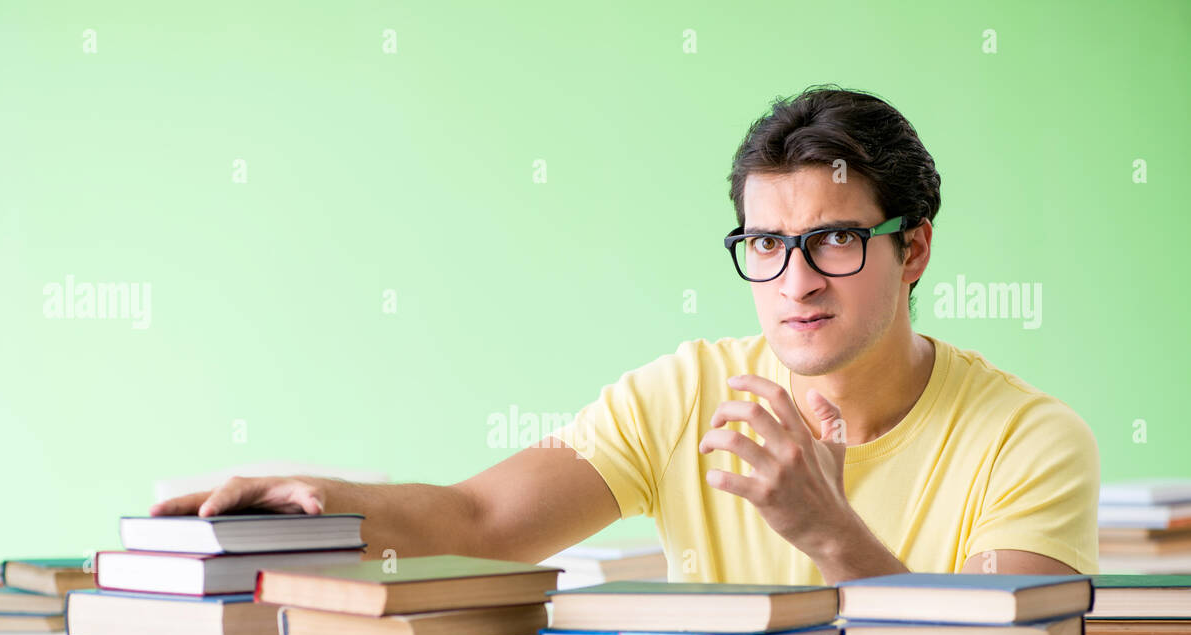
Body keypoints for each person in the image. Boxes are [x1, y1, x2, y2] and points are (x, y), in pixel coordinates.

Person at [152, 86, 1099, 586]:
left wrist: (830, 533)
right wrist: (316, 500)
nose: (796, 281)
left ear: (915, 248)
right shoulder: (686, 395)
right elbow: (479, 523)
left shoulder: (1033, 441)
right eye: (767, 244)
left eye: (836, 241)